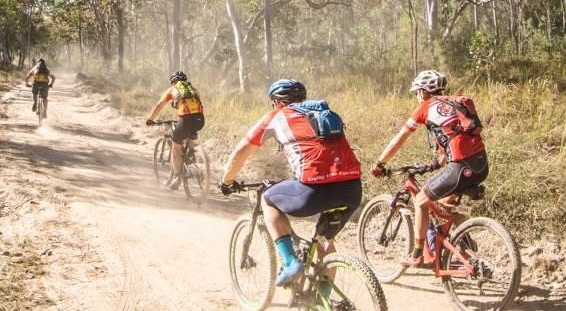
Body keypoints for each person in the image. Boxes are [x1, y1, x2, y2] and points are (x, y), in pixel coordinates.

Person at [218, 79, 363, 287]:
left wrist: (226, 181)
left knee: (269, 199)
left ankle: (290, 262)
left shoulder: (277, 116)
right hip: (352, 189)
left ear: (277, 102)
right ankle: (322, 305)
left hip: (314, 190)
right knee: (324, 240)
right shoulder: (321, 113)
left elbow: (241, 152)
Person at [370, 69, 489, 268]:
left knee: (421, 200)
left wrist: (380, 163)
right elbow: (449, 149)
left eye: (417, 92)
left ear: (424, 92)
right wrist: (431, 165)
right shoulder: (458, 103)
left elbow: (399, 140)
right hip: (481, 165)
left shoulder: (425, 107)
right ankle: (468, 254)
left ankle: (417, 254)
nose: (417, 96)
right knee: (448, 207)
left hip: (459, 166)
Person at [145, 70, 205, 189]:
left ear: (173, 82)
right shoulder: (193, 89)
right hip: (200, 119)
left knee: (175, 147)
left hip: (185, 120)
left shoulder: (172, 89)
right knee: (188, 135)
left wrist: (150, 119)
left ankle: (178, 177)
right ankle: (191, 156)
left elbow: (159, 106)